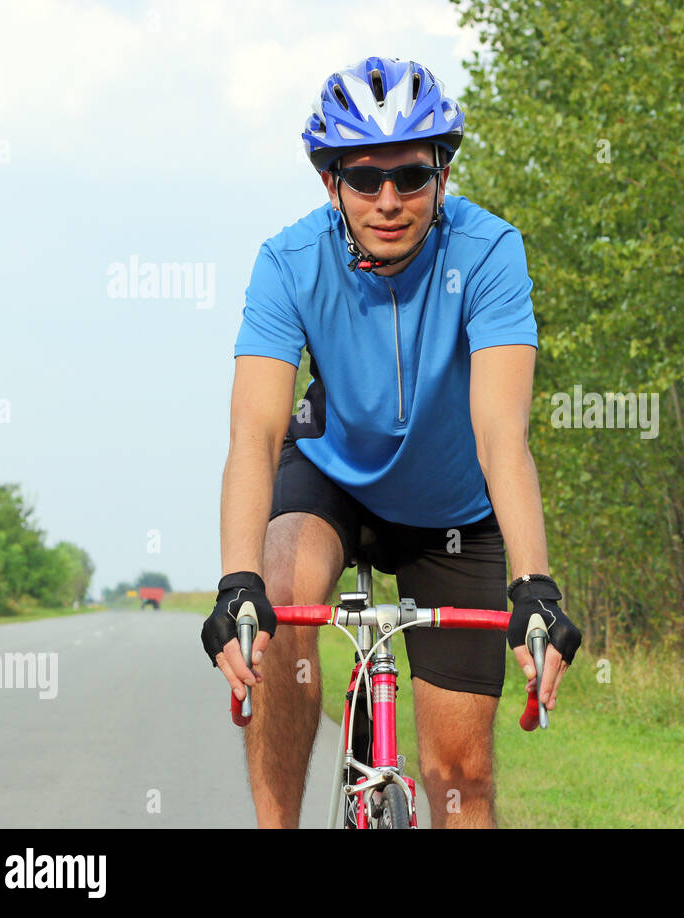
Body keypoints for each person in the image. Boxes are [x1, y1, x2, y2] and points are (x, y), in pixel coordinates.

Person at [199, 57, 581, 828]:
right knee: (276, 602)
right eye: (363, 178)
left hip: (451, 507)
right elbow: (255, 434)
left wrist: (536, 588)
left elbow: (504, 437)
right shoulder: (287, 262)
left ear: (442, 174)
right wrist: (235, 583)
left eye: (410, 176)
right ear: (329, 182)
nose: (388, 201)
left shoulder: (490, 252)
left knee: (461, 777)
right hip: (331, 479)